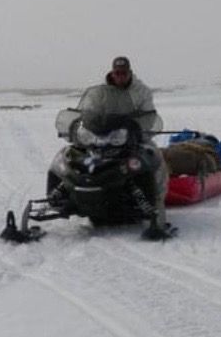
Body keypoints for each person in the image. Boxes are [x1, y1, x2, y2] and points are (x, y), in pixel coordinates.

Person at [75, 56, 174, 240]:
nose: (120, 76)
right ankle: (71, 196)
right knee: (74, 156)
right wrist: (87, 124)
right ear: (112, 73)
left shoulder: (141, 91)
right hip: (103, 137)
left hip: (131, 136)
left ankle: (158, 208)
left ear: (129, 73)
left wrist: (137, 127)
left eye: (123, 73)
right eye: (117, 73)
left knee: (154, 158)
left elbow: (149, 116)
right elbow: (90, 112)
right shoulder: (101, 92)